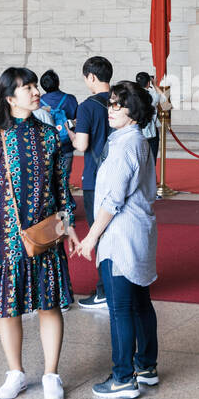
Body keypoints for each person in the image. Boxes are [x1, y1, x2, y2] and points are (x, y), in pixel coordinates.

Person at [0, 68, 80, 399]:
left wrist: (69, 224)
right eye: (28, 88)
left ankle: (51, 374)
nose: (36, 92)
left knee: (49, 305)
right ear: (9, 98)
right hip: (7, 236)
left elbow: (61, 185)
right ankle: (15, 373)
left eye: (35, 86)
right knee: (9, 308)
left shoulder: (50, 135)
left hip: (45, 233)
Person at [76, 81, 159, 399]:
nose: (110, 110)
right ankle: (146, 366)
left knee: (121, 308)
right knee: (139, 303)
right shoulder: (134, 139)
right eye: (110, 104)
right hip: (137, 231)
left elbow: (112, 200)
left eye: (116, 105)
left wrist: (90, 238)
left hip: (121, 234)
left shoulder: (126, 145)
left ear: (132, 110)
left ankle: (124, 376)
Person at [73, 56, 114, 310]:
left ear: (91, 77)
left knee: (98, 234)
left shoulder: (86, 106)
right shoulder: (121, 100)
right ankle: (119, 287)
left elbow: (82, 145)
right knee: (115, 232)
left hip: (95, 178)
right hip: (118, 175)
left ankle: (104, 290)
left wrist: (70, 132)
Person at [37, 70, 79, 184]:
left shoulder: (38, 102)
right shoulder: (70, 99)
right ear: (58, 82)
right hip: (66, 145)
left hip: (45, 147)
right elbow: (76, 121)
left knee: (47, 181)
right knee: (64, 180)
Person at [135, 71, 168, 162]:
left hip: (136, 129)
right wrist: (155, 85)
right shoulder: (152, 95)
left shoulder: (132, 95)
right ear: (148, 83)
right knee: (151, 159)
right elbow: (164, 99)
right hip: (150, 131)